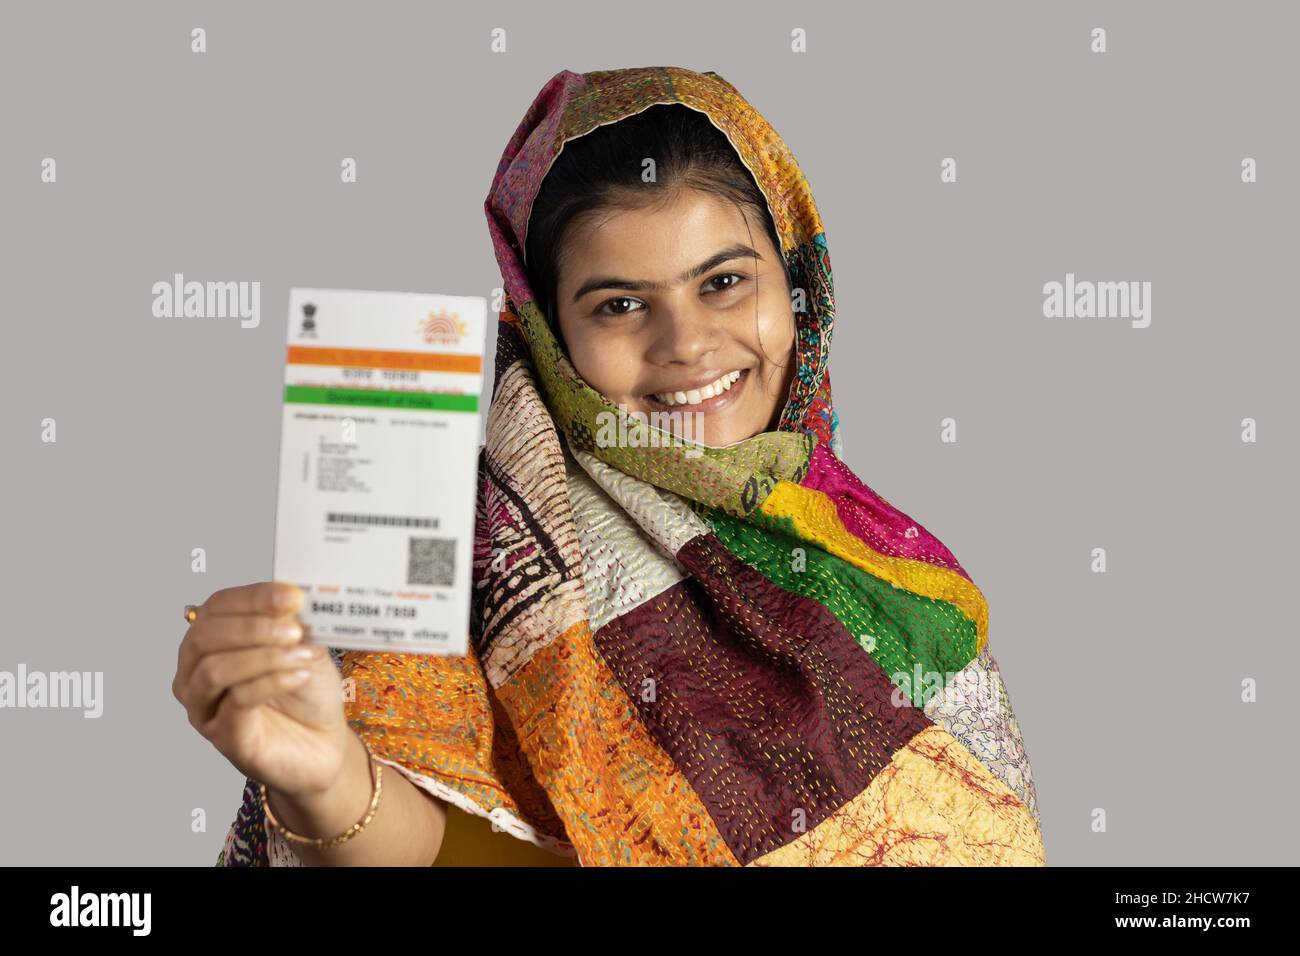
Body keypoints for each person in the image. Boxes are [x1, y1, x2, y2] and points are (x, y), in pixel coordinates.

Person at [178, 65, 1045, 867]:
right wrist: (325, 777)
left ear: (796, 285)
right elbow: (449, 852)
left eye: (725, 282)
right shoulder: (466, 568)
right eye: (621, 304)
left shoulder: (897, 568)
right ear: (549, 333)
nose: (688, 345)